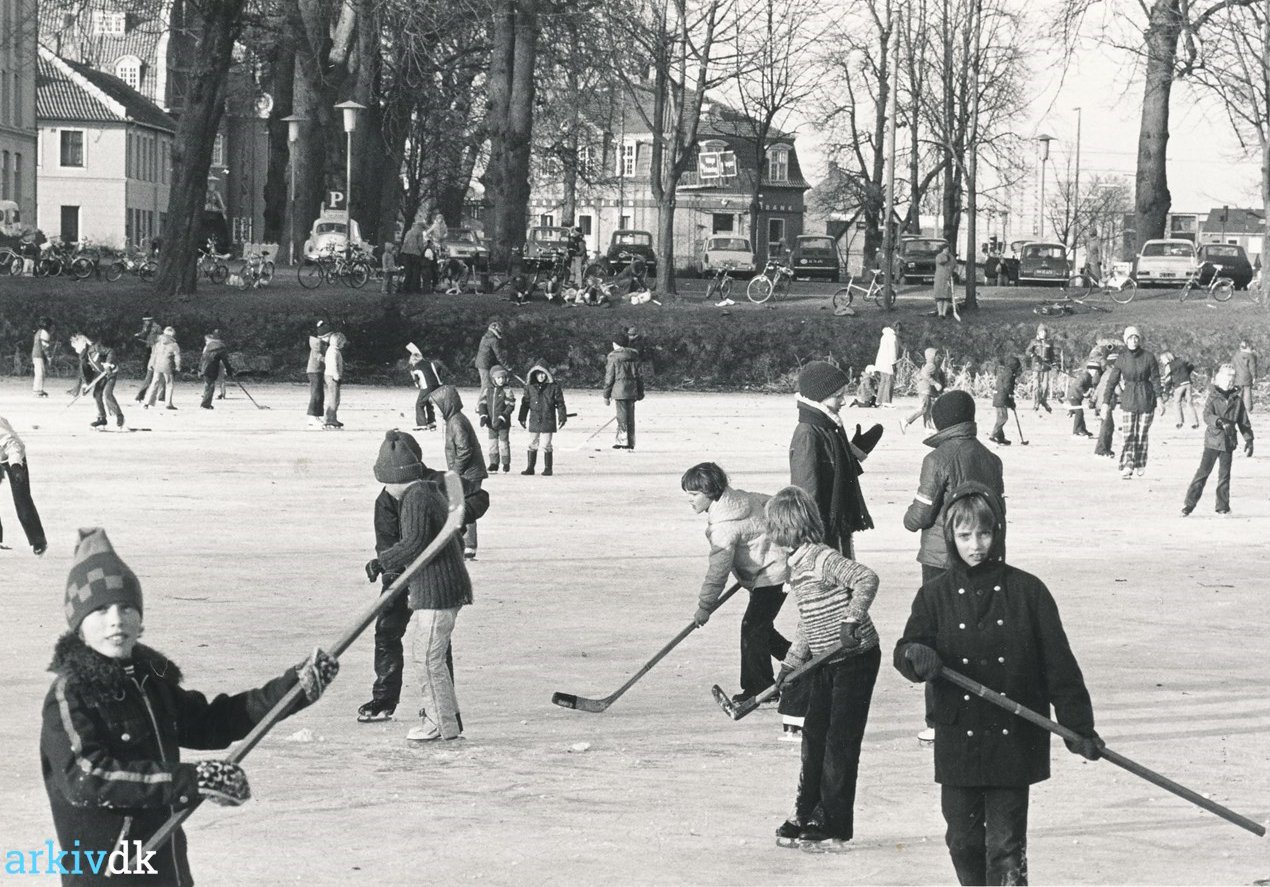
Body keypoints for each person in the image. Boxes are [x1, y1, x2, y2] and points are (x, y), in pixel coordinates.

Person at [42, 528, 337, 887]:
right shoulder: (71, 695)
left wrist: (294, 689)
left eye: (126, 607)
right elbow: (88, 778)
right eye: (100, 610)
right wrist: (193, 780)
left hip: (166, 864)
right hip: (109, 873)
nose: (116, 619)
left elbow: (213, 722)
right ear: (79, 627)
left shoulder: (151, 683)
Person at [893, 482, 1101, 886]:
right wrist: (914, 656)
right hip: (959, 736)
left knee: (1005, 846)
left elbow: (1060, 667)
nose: (976, 545)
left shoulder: (1028, 592)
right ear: (951, 538)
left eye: (984, 534)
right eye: (965, 535)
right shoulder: (934, 596)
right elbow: (907, 649)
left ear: (998, 532)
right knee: (962, 842)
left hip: (1014, 735)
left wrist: (1079, 728)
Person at [766, 485, 881, 853]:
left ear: (788, 528)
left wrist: (852, 618)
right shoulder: (797, 567)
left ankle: (833, 819)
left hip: (855, 657)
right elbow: (808, 620)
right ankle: (806, 811)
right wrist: (791, 663)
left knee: (839, 742)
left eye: (774, 528)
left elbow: (866, 578)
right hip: (823, 660)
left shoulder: (820, 557)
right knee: (814, 737)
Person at [902, 390, 1004, 745]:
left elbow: (921, 514)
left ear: (943, 422)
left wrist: (908, 520)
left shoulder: (937, 459)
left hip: (940, 560)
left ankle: (938, 721)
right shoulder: (991, 459)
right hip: (983, 558)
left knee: (938, 638)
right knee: (978, 635)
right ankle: (981, 711)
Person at [358, 431, 468, 725]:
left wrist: (460, 518)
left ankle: (439, 706)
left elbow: (472, 498)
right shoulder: (386, 501)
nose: (387, 487)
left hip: (432, 578)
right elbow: (388, 543)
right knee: (387, 631)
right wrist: (394, 578)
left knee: (434, 647)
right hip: (399, 575)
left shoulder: (428, 487)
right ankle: (385, 698)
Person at [681, 463, 790, 702]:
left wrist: (705, 607)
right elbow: (773, 502)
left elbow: (718, 572)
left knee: (752, 628)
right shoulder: (741, 499)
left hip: (773, 575)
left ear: (710, 492)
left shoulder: (724, 528)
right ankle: (804, 662)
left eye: (694, 494)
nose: (689, 499)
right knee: (761, 629)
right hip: (769, 569)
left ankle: (760, 689)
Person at [421, 376, 488, 559]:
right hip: (465, 471)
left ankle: (468, 545)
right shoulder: (453, 419)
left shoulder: (456, 422)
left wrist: (454, 472)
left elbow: (465, 449)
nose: (434, 410)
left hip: (469, 472)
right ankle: (461, 541)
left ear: (446, 403)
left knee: (467, 505)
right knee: (460, 505)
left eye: (436, 406)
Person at [1182, 363, 1254, 516]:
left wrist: (1249, 439)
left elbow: (1243, 422)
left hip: (1228, 442)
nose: (1229, 382)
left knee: (1224, 476)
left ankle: (1222, 506)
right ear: (1218, 380)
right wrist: (1220, 421)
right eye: (1226, 378)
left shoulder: (1237, 401)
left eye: (1232, 378)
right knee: (1203, 473)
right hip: (1213, 441)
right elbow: (1207, 415)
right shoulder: (1213, 397)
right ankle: (1189, 504)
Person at [1103, 325, 1162, 479]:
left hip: (1146, 398)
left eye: (1136, 337)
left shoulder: (1149, 357)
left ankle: (1140, 463)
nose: (1134, 340)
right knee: (1129, 434)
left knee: (1142, 433)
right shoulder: (1121, 359)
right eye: (1130, 338)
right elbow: (1111, 381)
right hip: (1128, 398)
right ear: (1126, 340)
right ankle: (1128, 463)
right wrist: (1105, 402)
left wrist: (1160, 398)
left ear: (1139, 339)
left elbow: (1156, 379)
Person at [0, 414, 47, 556]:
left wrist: (16, 466)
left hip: (13, 457)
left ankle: (38, 540)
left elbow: (12, 444)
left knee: (22, 499)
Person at [518, 360, 567, 476]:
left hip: (548, 418)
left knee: (546, 445)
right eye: (539, 373)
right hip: (534, 418)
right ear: (534, 374)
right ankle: (530, 467)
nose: (541, 376)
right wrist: (522, 417)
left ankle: (548, 468)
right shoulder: (529, 387)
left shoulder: (553, 387)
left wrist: (562, 416)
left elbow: (560, 403)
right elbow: (525, 403)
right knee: (532, 443)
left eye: (544, 373)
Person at [604, 331, 644, 450]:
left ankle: (622, 442)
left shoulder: (613, 357)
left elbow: (609, 377)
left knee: (622, 417)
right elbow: (640, 376)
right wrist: (640, 392)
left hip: (619, 390)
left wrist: (606, 395)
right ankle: (631, 442)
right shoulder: (634, 356)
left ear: (616, 344)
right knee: (630, 417)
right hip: (632, 390)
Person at [477, 364, 516, 474]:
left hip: (503, 423)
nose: (501, 380)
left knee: (503, 443)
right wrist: (483, 415)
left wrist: (503, 416)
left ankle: (505, 463)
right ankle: (494, 464)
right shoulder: (488, 390)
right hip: (491, 423)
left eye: (503, 378)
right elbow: (482, 403)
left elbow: (510, 405)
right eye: (498, 378)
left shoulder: (507, 390)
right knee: (492, 444)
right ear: (493, 378)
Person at [902, 348, 946, 434]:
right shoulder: (931, 365)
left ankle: (928, 427)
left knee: (928, 409)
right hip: (925, 390)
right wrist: (935, 384)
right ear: (931, 357)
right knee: (923, 408)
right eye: (936, 355)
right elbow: (925, 374)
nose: (938, 357)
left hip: (926, 390)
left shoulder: (933, 366)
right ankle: (906, 420)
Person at [144, 326, 180, 411]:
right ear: (172, 334)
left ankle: (147, 402)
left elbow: (153, 355)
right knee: (169, 384)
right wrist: (178, 366)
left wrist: (151, 363)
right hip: (168, 366)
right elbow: (177, 357)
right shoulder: (174, 344)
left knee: (154, 383)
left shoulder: (157, 343)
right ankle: (168, 403)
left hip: (157, 365)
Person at [407, 345, 442, 431]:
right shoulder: (430, 363)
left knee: (419, 404)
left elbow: (417, 384)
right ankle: (432, 423)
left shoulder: (415, 368)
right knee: (428, 403)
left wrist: (414, 377)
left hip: (427, 386)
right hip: (437, 385)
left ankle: (421, 424)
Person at [988, 356, 1022, 445]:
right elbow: (1007, 386)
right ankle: (993, 435)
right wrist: (1011, 399)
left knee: (1001, 417)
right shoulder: (1009, 373)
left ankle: (1000, 438)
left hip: (1000, 397)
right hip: (1001, 398)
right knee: (1003, 418)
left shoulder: (1007, 371)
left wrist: (1011, 403)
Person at [198, 329, 234, 410]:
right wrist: (229, 370)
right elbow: (225, 361)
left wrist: (199, 369)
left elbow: (202, 358)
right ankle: (205, 405)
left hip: (205, 367)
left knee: (208, 386)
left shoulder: (208, 346)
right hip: (212, 368)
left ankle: (205, 403)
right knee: (210, 386)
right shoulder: (221, 347)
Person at [1024, 323, 1056, 413]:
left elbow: (1052, 354)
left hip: (1046, 366)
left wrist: (1053, 363)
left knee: (1045, 386)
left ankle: (1043, 400)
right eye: (1041, 332)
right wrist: (1032, 354)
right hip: (1036, 366)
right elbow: (1027, 351)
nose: (1043, 334)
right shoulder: (1033, 341)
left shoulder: (1049, 342)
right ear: (1038, 333)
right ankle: (1036, 402)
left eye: (1045, 332)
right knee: (1036, 386)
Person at [132, 316, 164, 404]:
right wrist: (138, 335)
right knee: (151, 376)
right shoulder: (146, 326)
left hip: (154, 349)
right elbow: (144, 333)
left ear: (150, 320)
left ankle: (161, 397)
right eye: (144, 320)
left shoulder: (157, 327)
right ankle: (142, 395)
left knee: (160, 377)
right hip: (150, 349)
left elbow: (160, 337)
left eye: (147, 320)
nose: (146, 322)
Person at [1093, 349, 1119, 458]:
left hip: (1100, 403)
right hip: (1106, 404)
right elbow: (1117, 390)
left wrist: (1093, 400)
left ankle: (1106, 449)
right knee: (1107, 428)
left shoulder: (1105, 373)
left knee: (1108, 426)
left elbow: (1097, 389)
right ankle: (1101, 450)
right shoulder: (1113, 374)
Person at [1066, 359, 1101, 437]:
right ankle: (1076, 431)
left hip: (1077, 397)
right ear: (1090, 369)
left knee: (1080, 413)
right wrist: (1084, 393)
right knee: (1079, 413)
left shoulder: (1088, 376)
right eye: (1094, 370)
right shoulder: (1085, 376)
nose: (1096, 372)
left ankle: (1082, 429)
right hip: (1073, 396)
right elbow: (1078, 386)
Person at [474, 320, 509, 394]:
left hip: (482, 363)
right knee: (486, 385)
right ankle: (480, 404)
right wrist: (507, 366)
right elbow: (499, 355)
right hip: (485, 364)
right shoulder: (494, 340)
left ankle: (486, 403)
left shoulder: (485, 337)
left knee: (487, 384)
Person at [306, 320, 330, 428]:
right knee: (316, 393)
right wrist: (330, 361)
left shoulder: (321, 343)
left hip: (317, 371)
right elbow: (319, 357)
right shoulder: (317, 344)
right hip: (314, 371)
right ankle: (312, 416)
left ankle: (316, 416)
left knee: (319, 394)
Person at [323, 331, 347, 429]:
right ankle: (330, 418)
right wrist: (337, 377)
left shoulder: (333, 350)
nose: (343, 345)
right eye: (343, 343)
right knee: (334, 398)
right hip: (332, 376)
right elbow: (333, 366)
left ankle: (332, 417)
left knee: (335, 398)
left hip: (331, 375)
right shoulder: (333, 351)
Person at [1168, 354, 1199, 429]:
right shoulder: (1182, 362)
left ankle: (1179, 422)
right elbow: (1191, 366)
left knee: (1177, 403)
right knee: (1189, 403)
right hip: (1188, 383)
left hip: (1179, 385)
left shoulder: (1170, 365)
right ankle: (1195, 423)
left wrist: (1167, 388)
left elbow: (1168, 377)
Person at [874, 326, 899, 406]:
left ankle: (879, 400)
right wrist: (893, 363)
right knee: (889, 381)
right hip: (888, 363)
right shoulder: (892, 337)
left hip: (881, 362)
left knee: (883, 381)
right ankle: (887, 401)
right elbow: (893, 351)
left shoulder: (884, 336)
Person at [1233, 339, 1257, 414]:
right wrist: (1254, 377)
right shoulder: (1250, 356)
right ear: (1249, 347)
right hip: (1247, 377)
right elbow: (1252, 368)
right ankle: (1248, 409)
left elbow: (1233, 365)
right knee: (1247, 394)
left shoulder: (1236, 355)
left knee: (1238, 393)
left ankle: (1236, 409)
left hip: (1237, 377)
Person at [31, 316, 53, 398]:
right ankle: (37, 391)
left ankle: (38, 389)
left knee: (39, 373)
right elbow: (45, 347)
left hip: (36, 354)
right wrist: (49, 357)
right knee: (40, 373)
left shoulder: (38, 332)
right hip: (39, 354)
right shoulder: (44, 332)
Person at [933, 245, 954, 319]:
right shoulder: (939, 256)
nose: (947, 250)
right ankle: (940, 313)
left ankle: (944, 313)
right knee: (939, 296)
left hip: (948, 278)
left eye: (948, 249)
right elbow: (940, 261)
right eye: (945, 249)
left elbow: (954, 264)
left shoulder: (951, 257)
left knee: (947, 296)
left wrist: (953, 272)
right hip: (939, 278)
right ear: (943, 249)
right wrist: (946, 259)